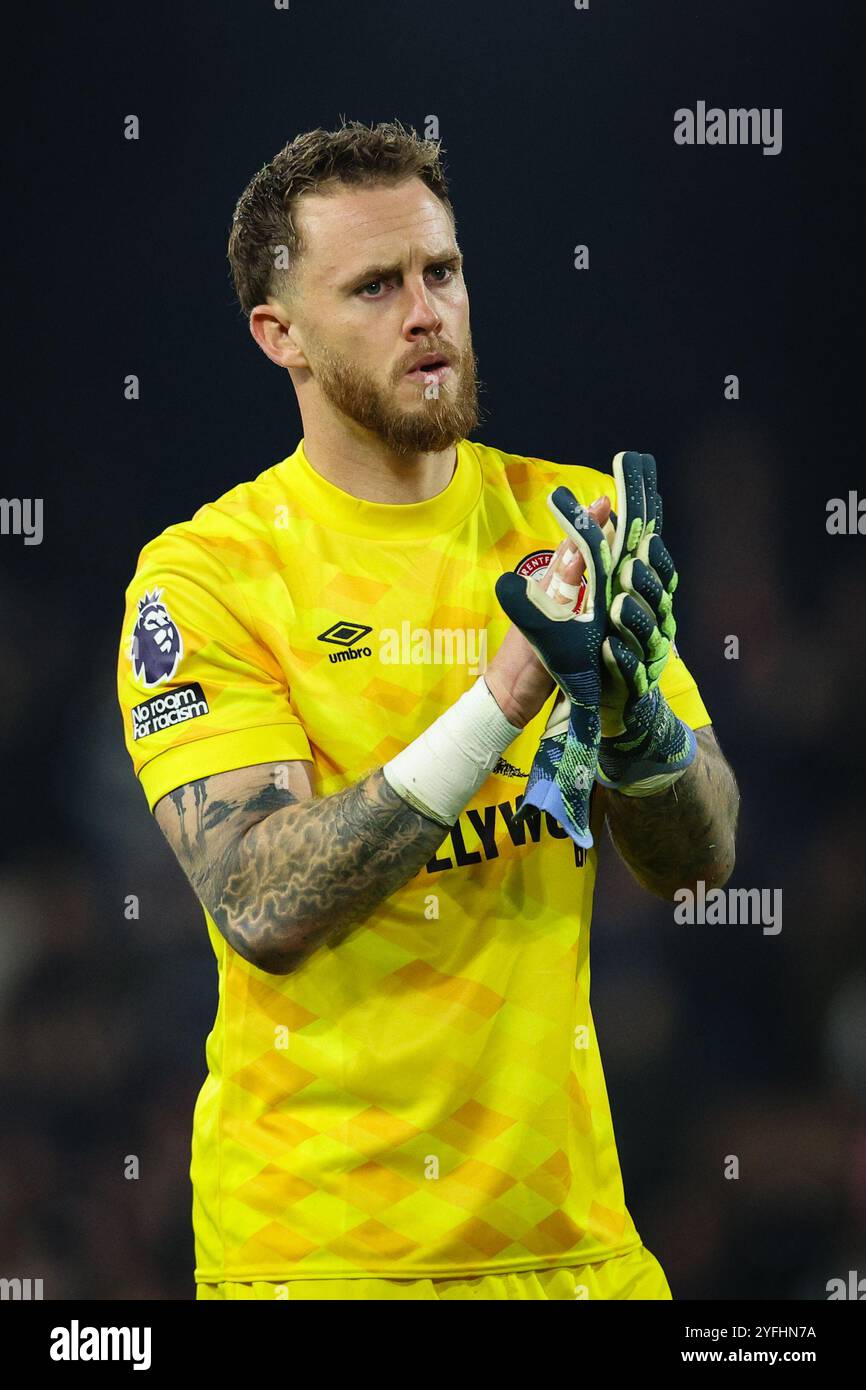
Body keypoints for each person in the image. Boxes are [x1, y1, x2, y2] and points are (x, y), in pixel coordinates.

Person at [116, 120, 739, 1301]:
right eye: (374, 286)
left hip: (574, 1247)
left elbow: (698, 860)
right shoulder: (207, 575)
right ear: (278, 333)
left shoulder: (573, 517)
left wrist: (632, 723)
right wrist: (506, 693)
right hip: (318, 1254)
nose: (424, 312)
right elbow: (261, 903)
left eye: (440, 272)